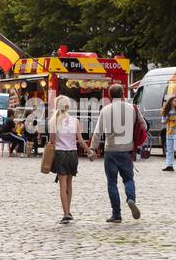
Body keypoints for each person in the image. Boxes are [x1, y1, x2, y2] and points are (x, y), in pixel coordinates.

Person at [89, 84, 140, 224]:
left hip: (111, 151)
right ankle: (131, 198)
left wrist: (92, 149)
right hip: (126, 150)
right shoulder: (132, 108)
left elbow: (98, 131)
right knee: (128, 179)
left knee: (112, 183)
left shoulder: (106, 110)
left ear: (110, 96)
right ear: (123, 93)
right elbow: (144, 126)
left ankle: (116, 214)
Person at [48, 95, 86, 224]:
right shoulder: (75, 121)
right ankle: (68, 211)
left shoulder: (53, 121)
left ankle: (65, 214)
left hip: (60, 154)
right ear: (68, 106)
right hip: (73, 154)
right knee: (69, 184)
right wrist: (89, 151)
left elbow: (52, 141)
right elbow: (80, 140)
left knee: (62, 185)